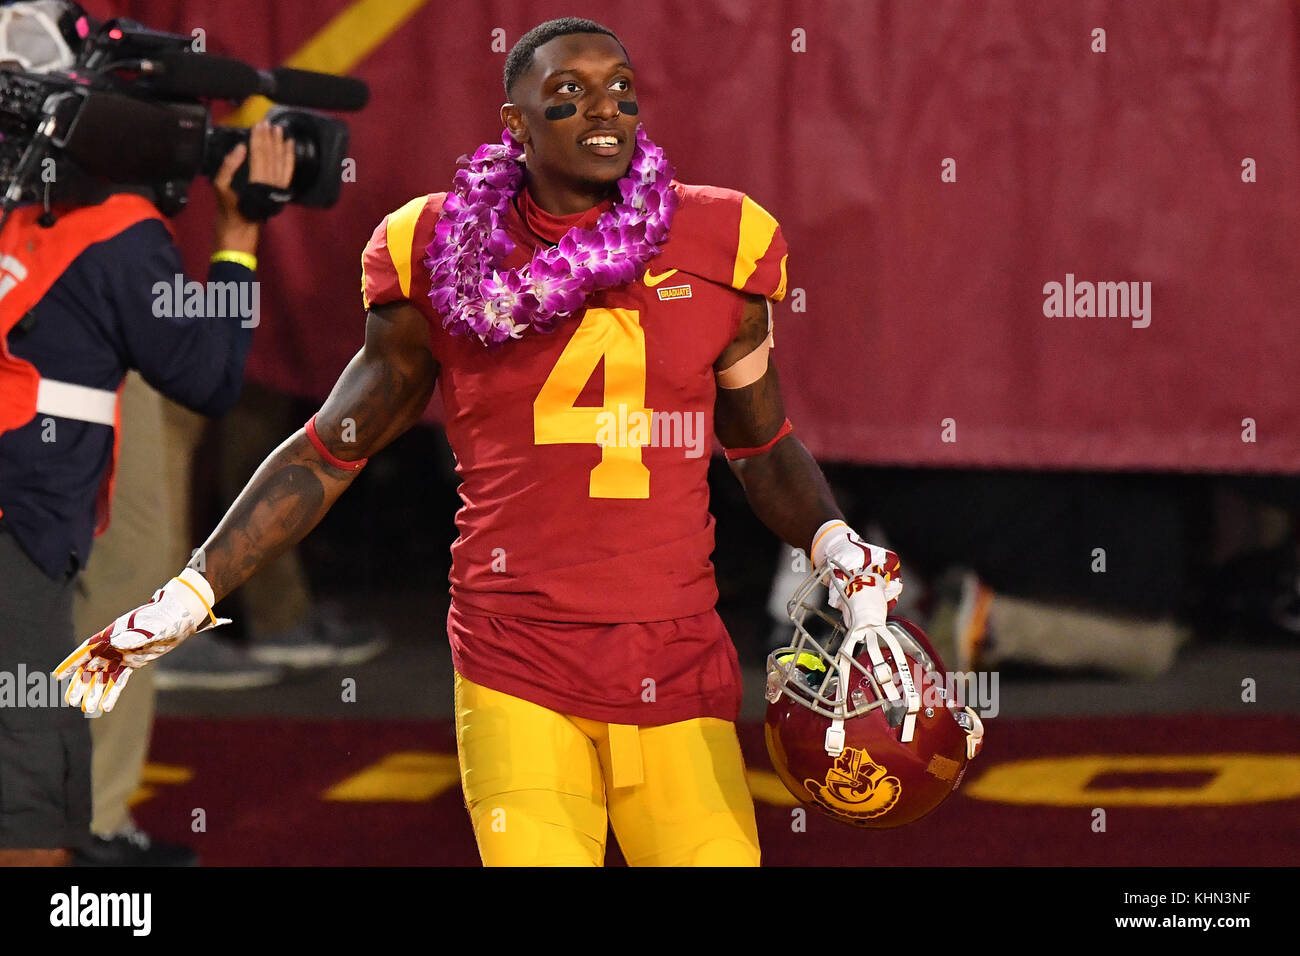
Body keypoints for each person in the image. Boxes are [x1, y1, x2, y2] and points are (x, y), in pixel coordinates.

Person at [58, 17, 901, 867]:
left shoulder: (724, 241)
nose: (603, 110)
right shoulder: (434, 250)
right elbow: (329, 451)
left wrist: (835, 543)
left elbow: (761, 446)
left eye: (621, 91)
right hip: (515, 659)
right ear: (515, 124)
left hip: (675, 657)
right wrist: (190, 594)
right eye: (567, 96)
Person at [0, 6, 296, 861]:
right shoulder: (119, 231)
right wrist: (239, 237)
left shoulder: (28, 202)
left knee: (41, 738)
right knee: (26, 766)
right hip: (21, 520)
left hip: (29, 514)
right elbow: (207, 378)